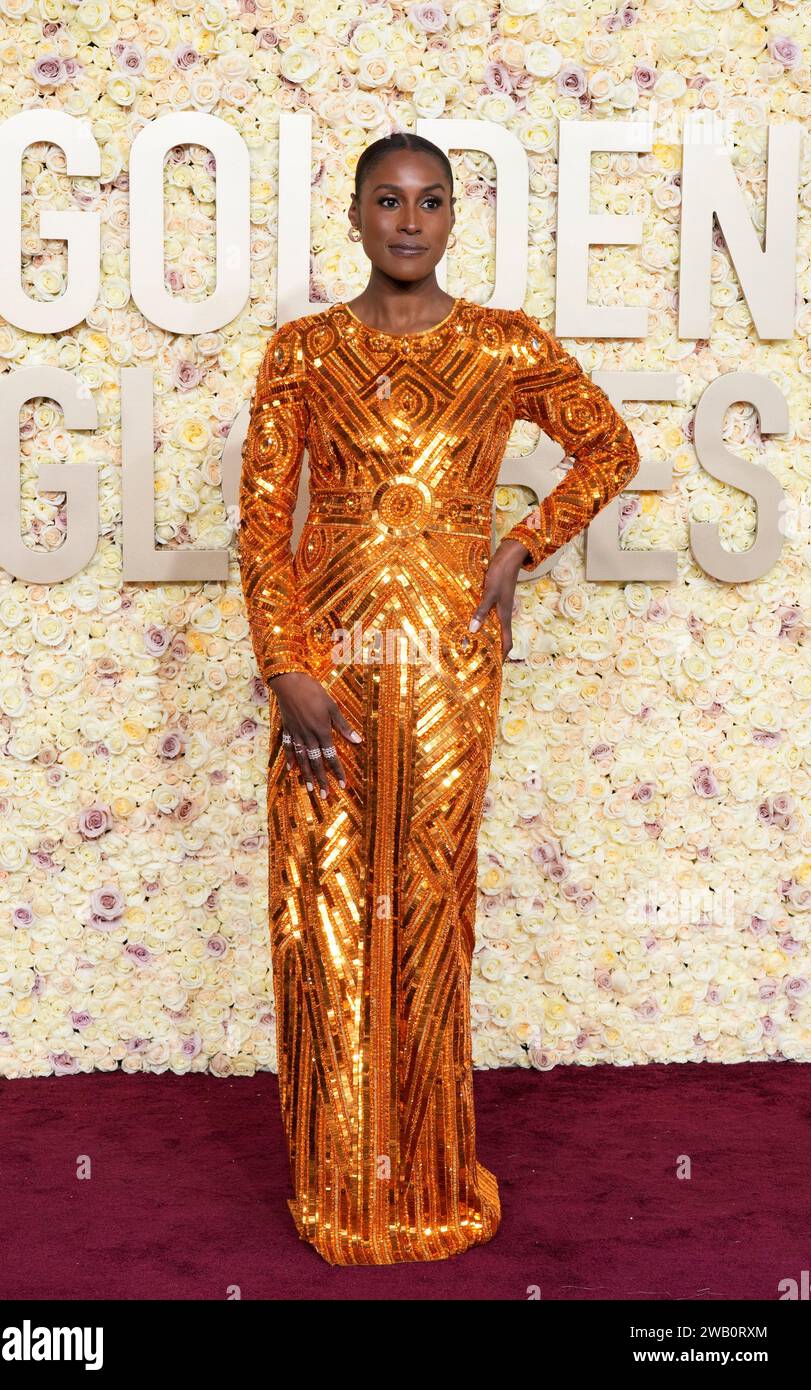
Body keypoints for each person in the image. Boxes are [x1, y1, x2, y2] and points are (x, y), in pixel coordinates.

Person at [238, 131, 640, 1266]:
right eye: (386, 200)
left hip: (450, 673)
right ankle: (337, 1186)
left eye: (429, 202)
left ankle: (419, 1180)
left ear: (453, 218)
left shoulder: (504, 346)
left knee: (424, 913)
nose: (407, 221)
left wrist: (515, 549)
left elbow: (607, 447)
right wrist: (284, 669)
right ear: (354, 216)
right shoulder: (303, 353)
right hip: (325, 670)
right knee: (322, 913)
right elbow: (263, 526)